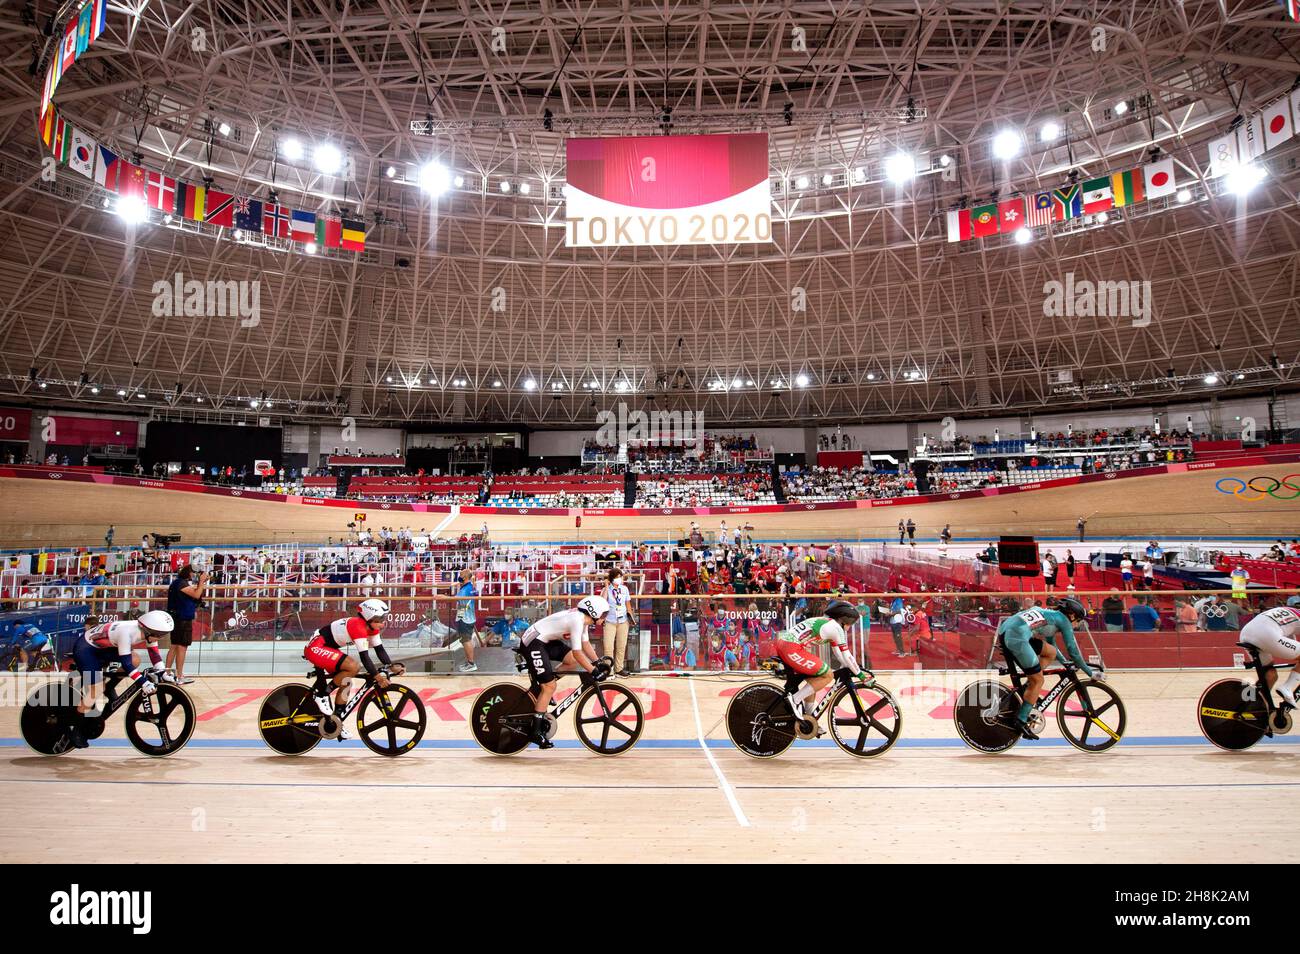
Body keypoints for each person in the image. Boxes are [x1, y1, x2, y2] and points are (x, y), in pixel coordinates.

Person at [996, 596, 1100, 740]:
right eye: (1079, 620)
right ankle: (1021, 720)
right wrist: (1090, 672)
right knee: (1038, 680)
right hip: (1017, 637)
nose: (1078, 623)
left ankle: (1028, 686)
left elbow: (1054, 648)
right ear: (1071, 615)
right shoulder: (1064, 621)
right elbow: (1073, 651)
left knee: (1049, 651)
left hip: (1009, 632)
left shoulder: (1051, 615)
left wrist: (1065, 663)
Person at [69, 610, 174, 749]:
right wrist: (143, 682)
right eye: (160, 635)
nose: (161, 638)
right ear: (150, 631)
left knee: (136, 659)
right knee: (97, 689)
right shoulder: (126, 632)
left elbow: (154, 655)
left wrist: (164, 673)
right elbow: (126, 665)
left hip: (102, 648)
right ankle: (76, 730)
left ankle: (110, 685)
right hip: (86, 649)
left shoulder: (146, 632)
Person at [516, 595, 610, 749]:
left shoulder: (583, 620)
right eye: (604, 614)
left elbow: (585, 645)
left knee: (570, 661)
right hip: (533, 641)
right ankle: (535, 731)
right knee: (550, 686)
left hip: (545, 640)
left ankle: (544, 686)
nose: (605, 618)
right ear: (594, 612)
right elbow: (579, 653)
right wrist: (593, 671)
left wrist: (598, 662)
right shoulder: (577, 620)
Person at [303, 599, 403, 736]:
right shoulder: (358, 626)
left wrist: (391, 666)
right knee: (354, 666)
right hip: (316, 647)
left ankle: (336, 719)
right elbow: (365, 658)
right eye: (380, 619)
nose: (383, 623)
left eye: (383, 619)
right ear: (369, 618)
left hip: (327, 648)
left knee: (347, 681)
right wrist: (378, 678)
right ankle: (322, 695)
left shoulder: (371, 628)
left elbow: (380, 650)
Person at [775, 600, 872, 730]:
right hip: (791, 648)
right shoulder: (836, 628)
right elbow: (847, 654)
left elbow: (839, 655)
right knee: (828, 674)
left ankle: (809, 720)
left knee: (814, 680)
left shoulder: (830, 625)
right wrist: (860, 675)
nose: (850, 627)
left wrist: (851, 668)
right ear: (844, 620)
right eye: (851, 623)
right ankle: (795, 699)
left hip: (788, 645)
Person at [1238, 603, 1300, 706]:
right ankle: (1287, 687)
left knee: (1270, 674)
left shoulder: (1288, 612)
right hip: (1266, 633)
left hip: (1247, 633)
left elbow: (1290, 638)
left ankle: (1254, 707)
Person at [166, 564, 207, 683]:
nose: (195, 575)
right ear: (189, 573)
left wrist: (201, 582)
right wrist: (202, 582)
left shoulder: (178, 583)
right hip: (182, 619)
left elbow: (193, 593)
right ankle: (179, 676)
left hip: (178, 618)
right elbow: (196, 594)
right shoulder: (180, 583)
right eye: (194, 573)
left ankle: (167, 674)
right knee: (181, 647)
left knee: (174, 646)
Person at [601, 567, 633, 676]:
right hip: (610, 621)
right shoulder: (607, 589)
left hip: (623, 621)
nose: (619, 579)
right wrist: (606, 587)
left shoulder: (624, 589)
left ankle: (619, 669)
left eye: (620, 577)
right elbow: (602, 602)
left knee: (621, 646)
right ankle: (609, 670)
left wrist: (631, 617)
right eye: (617, 577)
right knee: (608, 647)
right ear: (611, 578)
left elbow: (627, 604)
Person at [454, 570, 480, 673]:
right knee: (465, 640)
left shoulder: (466, 589)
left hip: (465, 618)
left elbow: (454, 599)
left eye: (460, 575)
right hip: (465, 616)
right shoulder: (469, 587)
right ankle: (469, 662)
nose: (459, 576)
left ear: (465, 577)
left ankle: (471, 664)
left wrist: (442, 597)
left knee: (466, 640)